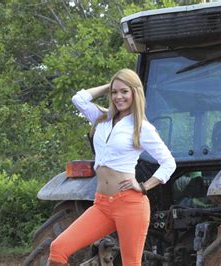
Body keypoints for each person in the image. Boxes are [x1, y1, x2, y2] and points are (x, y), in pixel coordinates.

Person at [47, 69, 176, 266]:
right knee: (58, 248)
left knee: (130, 263)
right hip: (102, 205)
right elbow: (79, 99)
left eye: (124, 91)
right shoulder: (102, 118)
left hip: (129, 204)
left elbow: (168, 162)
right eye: (114, 92)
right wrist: (112, 84)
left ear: (135, 93)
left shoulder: (141, 127)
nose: (118, 97)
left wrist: (144, 186)